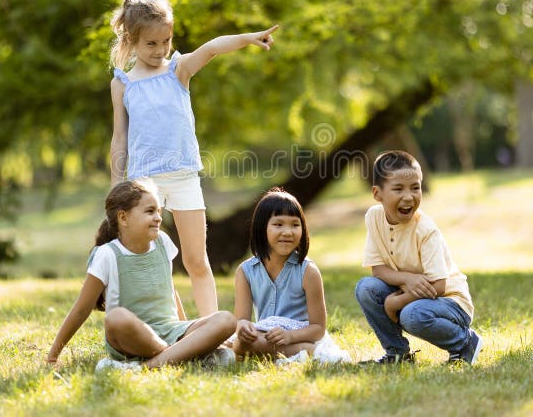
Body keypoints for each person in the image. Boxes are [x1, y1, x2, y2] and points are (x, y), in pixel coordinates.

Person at [109, 0, 279, 316]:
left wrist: (248, 38)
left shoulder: (178, 70)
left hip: (184, 176)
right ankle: (181, 329)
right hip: (145, 183)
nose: (161, 50)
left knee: (195, 260)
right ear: (131, 40)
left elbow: (213, 47)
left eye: (166, 40)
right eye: (152, 44)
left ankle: (212, 328)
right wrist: (118, 183)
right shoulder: (123, 84)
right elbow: (120, 138)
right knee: (157, 262)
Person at [46, 180, 236, 370]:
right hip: (130, 337)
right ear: (123, 218)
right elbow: (81, 310)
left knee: (226, 320)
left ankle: (146, 366)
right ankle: (183, 355)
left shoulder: (163, 242)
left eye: (159, 212)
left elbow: (170, 290)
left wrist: (186, 331)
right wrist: (53, 356)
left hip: (170, 330)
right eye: (150, 211)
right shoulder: (108, 255)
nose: (158, 218)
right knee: (116, 318)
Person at [355, 150, 482, 365]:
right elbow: (378, 270)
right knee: (366, 288)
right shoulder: (374, 217)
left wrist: (395, 302)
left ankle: (465, 342)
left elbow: (439, 285)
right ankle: (397, 353)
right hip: (415, 293)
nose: (409, 196)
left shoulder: (425, 229)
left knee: (411, 315)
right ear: (378, 194)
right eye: (398, 189)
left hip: (450, 303)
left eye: (416, 188)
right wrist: (407, 280)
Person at [231, 188, 348, 363]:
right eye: (278, 224)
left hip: (300, 335)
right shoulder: (245, 271)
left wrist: (289, 336)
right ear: (261, 228)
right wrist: (244, 328)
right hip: (266, 335)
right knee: (240, 344)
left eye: (295, 225)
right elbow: (241, 319)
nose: (288, 232)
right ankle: (299, 353)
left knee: (240, 349)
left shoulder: (308, 271)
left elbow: (318, 328)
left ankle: (310, 350)